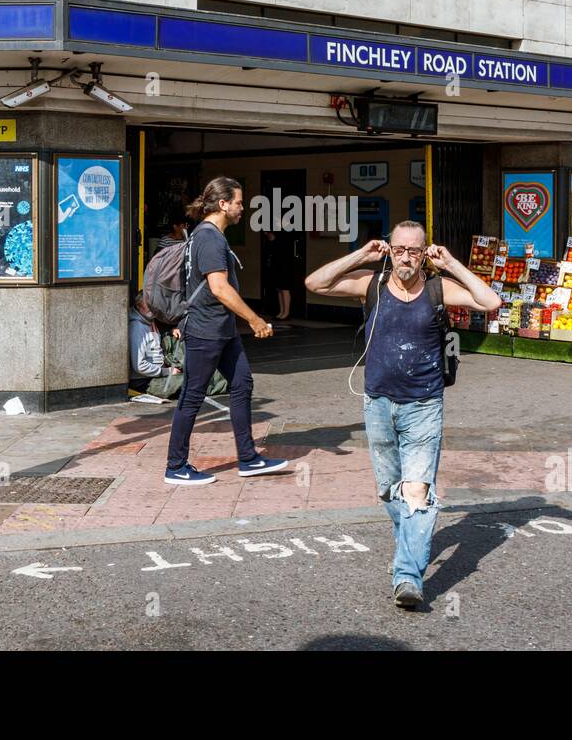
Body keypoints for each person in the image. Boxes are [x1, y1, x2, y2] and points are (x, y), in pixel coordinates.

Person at [304, 222, 500, 608]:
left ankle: (407, 577)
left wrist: (452, 264)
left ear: (424, 253)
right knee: (388, 489)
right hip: (377, 404)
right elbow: (315, 283)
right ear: (390, 250)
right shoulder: (372, 285)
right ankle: (409, 545)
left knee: (416, 491)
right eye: (399, 250)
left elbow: (489, 301)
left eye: (414, 251)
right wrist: (361, 254)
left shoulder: (436, 289)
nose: (406, 258)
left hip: (424, 406)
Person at [166, 177, 288, 486]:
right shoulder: (210, 238)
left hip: (221, 329)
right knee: (192, 396)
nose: (242, 208)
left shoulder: (207, 235)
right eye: (239, 202)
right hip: (206, 330)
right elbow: (219, 288)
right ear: (223, 204)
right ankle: (176, 465)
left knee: (242, 383)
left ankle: (248, 458)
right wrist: (254, 319)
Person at [129, 293, 227, 401]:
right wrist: (167, 371)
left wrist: (171, 331)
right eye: (148, 304)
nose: (152, 307)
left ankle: (219, 379)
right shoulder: (137, 328)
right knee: (190, 382)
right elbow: (139, 366)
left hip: (159, 371)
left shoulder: (149, 320)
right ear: (138, 306)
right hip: (145, 381)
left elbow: (156, 336)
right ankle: (223, 384)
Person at [262, 231, 292, 320]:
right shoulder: (271, 242)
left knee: (285, 288)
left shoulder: (281, 241)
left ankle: (286, 312)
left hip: (284, 266)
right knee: (279, 289)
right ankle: (281, 312)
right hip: (276, 266)